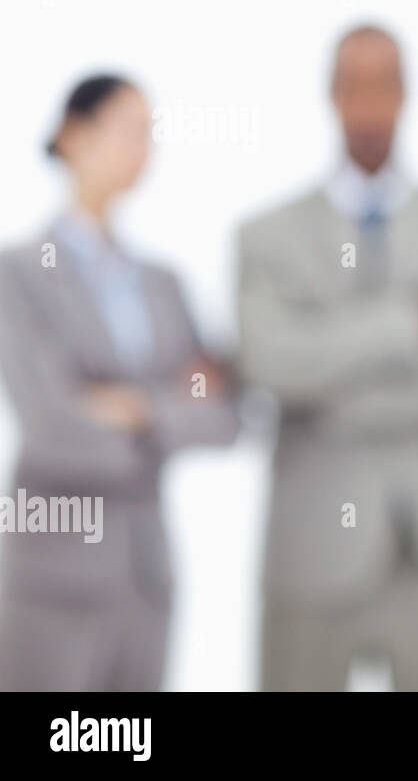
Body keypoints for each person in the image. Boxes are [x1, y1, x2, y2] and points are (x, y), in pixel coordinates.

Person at [237, 24, 418, 691]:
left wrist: (338, 390)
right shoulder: (266, 236)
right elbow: (268, 363)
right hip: (313, 549)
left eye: (385, 84)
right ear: (330, 94)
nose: (369, 103)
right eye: (353, 84)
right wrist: (408, 323)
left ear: (406, 93)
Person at [0, 74, 240, 690]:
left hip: (146, 572)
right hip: (54, 572)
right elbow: (51, 426)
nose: (144, 149)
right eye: (130, 130)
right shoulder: (20, 273)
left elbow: (222, 416)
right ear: (73, 135)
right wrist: (170, 407)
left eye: (150, 135)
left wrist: (134, 408)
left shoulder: (162, 282)